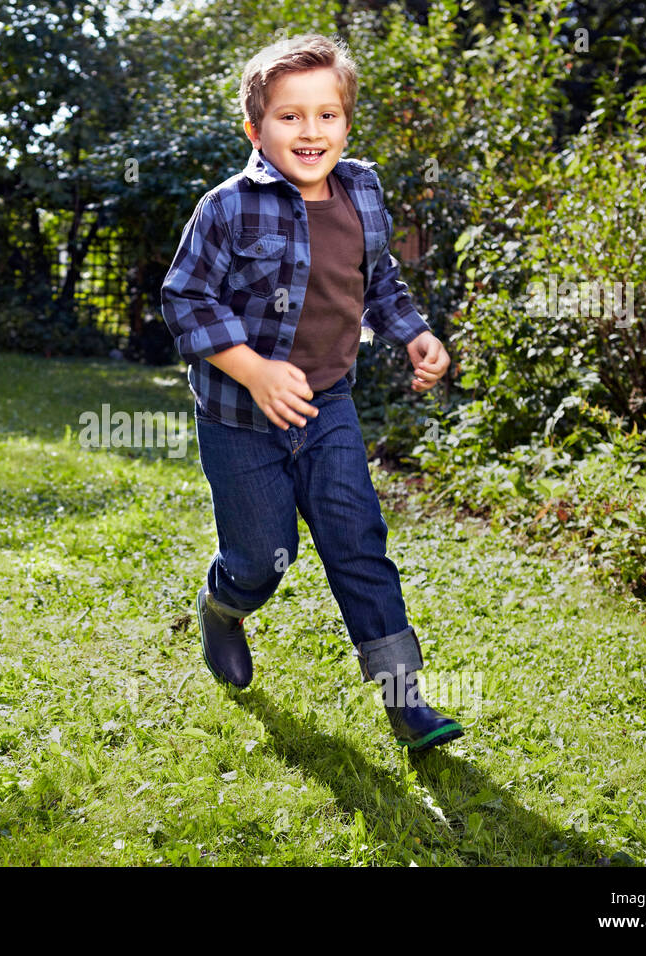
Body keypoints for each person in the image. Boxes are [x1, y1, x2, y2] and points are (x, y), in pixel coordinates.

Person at [160, 34, 462, 752]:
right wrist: (255, 370)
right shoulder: (227, 207)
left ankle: (405, 701)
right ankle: (222, 605)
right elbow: (185, 301)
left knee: (359, 545)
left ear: (347, 125)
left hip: (328, 406)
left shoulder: (362, 189)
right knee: (264, 557)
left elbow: (377, 280)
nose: (310, 132)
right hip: (239, 418)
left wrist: (415, 335)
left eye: (327, 115)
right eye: (290, 117)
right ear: (255, 129)